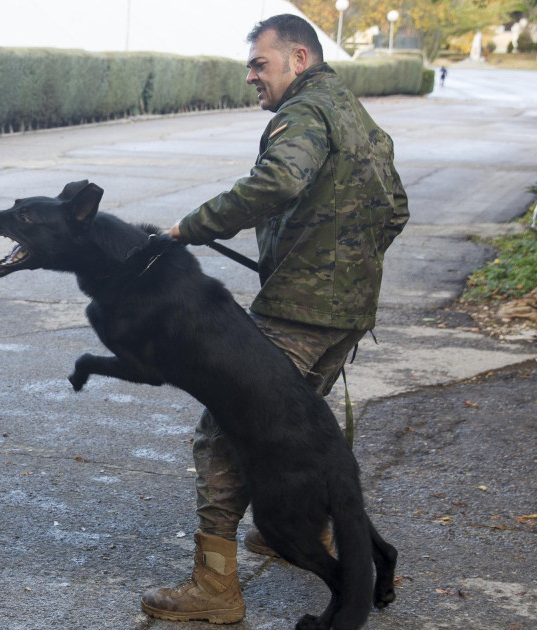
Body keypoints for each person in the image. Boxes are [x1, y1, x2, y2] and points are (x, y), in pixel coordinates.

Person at [142, 14, 409, 625]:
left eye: (260, 65)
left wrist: (192, 227)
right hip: (346, 313)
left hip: (296, 313)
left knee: (222, 439)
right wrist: (342, 267)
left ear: (299, 58)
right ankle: (295, 528)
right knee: (298, 437)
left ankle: (215, 588)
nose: (251, 78)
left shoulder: (305, 114)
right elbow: (395, 210)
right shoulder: (356, 117)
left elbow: (282, 177)